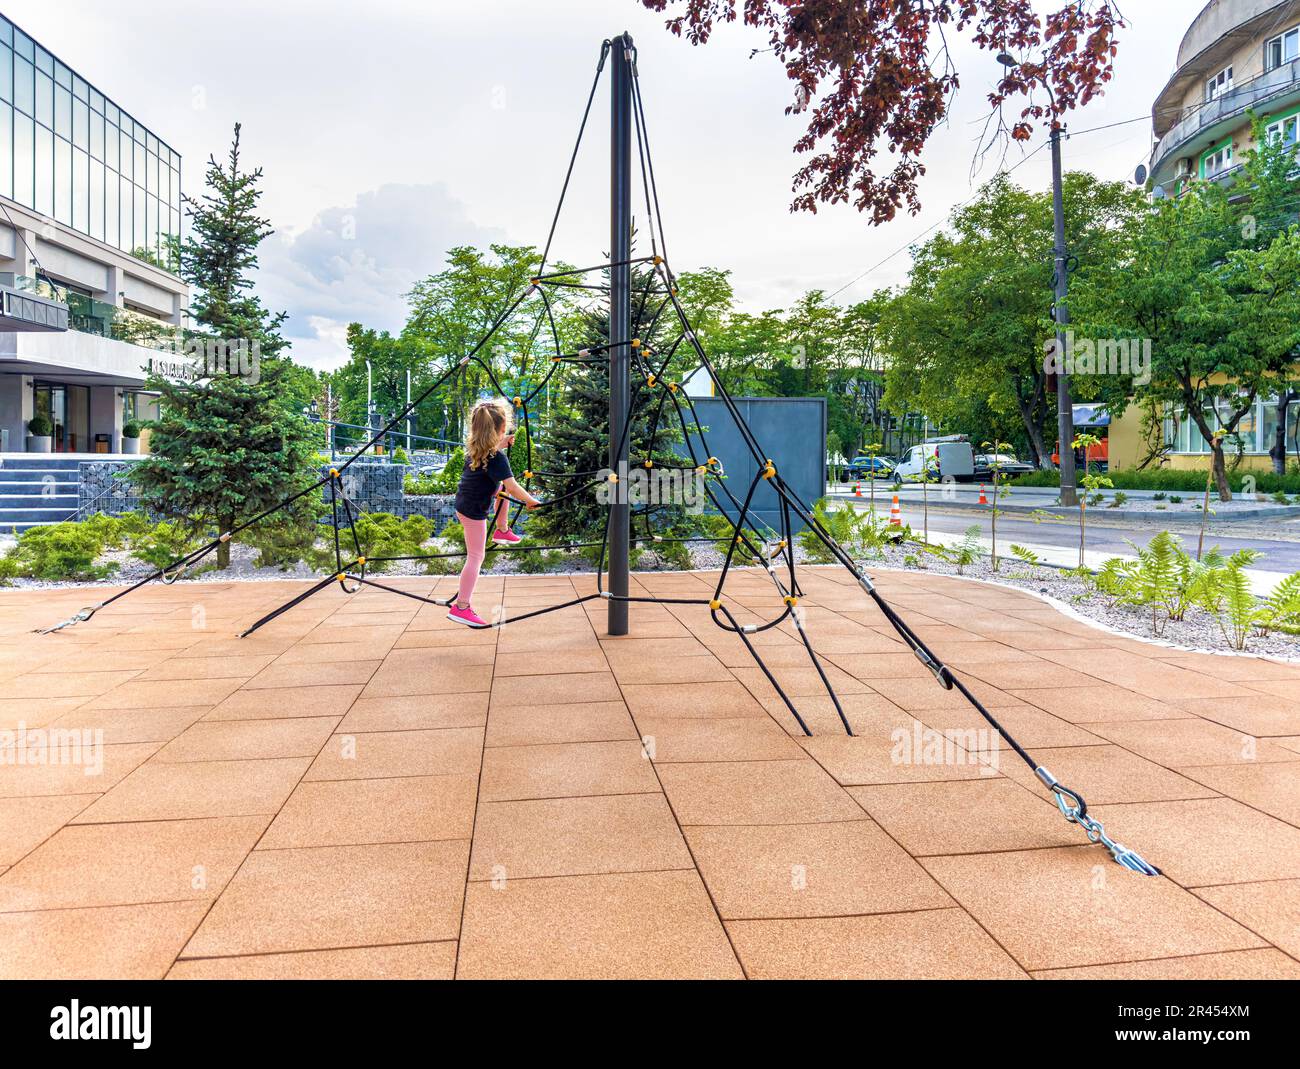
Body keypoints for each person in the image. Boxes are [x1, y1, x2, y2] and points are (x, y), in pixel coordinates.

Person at [448, 399, 540, 627]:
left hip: (465, 504)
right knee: (476, 557)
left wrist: (502, 444)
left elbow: (496, 471)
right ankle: (461, 606)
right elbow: (513, 487)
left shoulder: (476, 450)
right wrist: (530, 501)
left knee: (497, 488)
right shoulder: (498, 458)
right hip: (473, 512)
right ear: (499, 430)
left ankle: (502, 529)